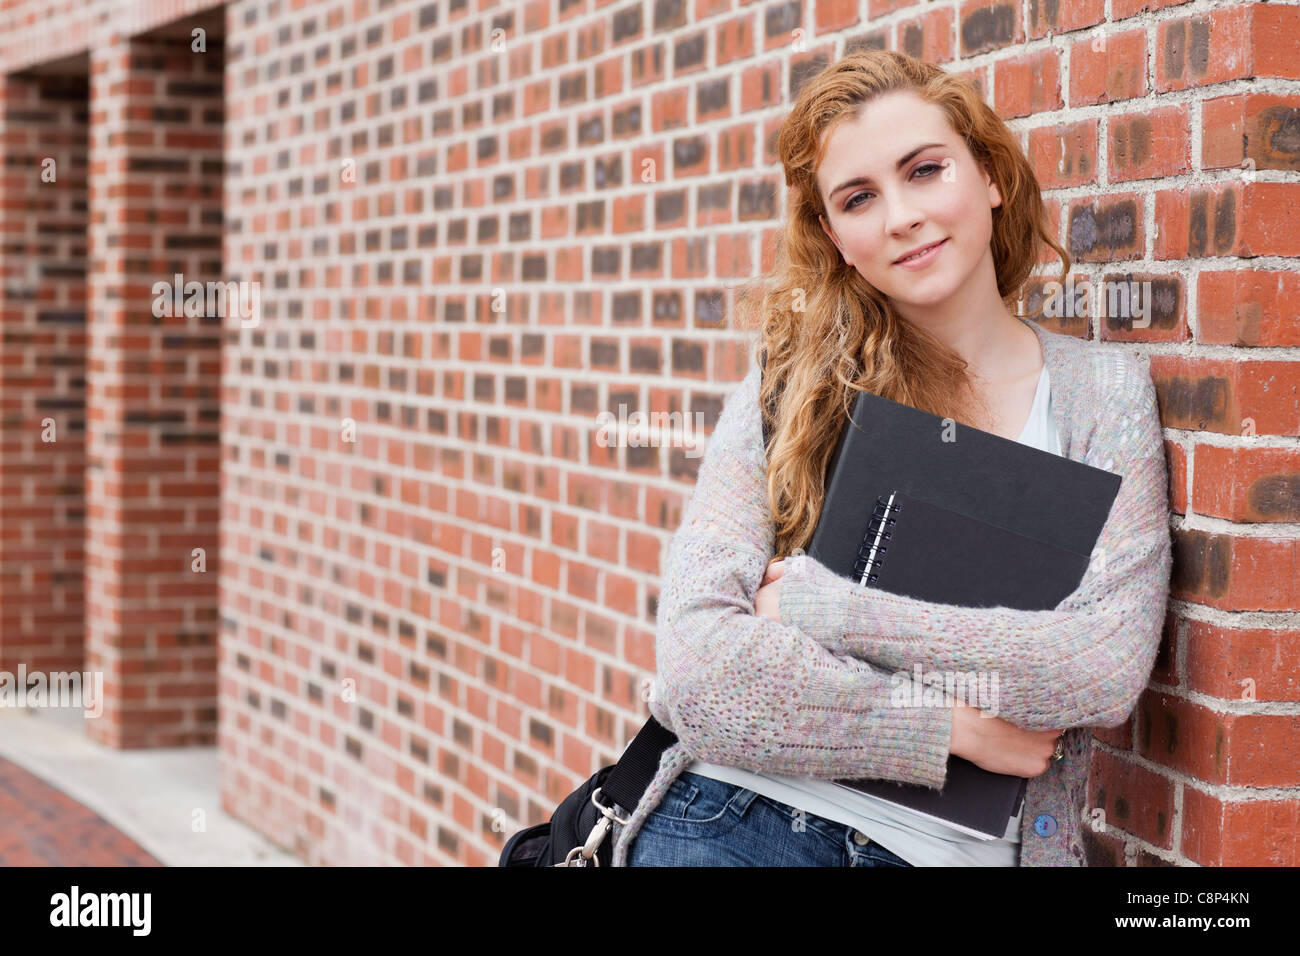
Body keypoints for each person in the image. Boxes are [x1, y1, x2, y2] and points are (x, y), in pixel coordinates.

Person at [610, 50, 1173, 867]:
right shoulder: (792, 390)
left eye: (925, 170)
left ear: (991, 178)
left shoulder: (1102, 394)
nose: (902, 215)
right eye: (860, 198)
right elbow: (700, 672)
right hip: (739, 829)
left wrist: (826, 612)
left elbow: (1102, 666)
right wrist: (955, 727)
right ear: (835, 238)